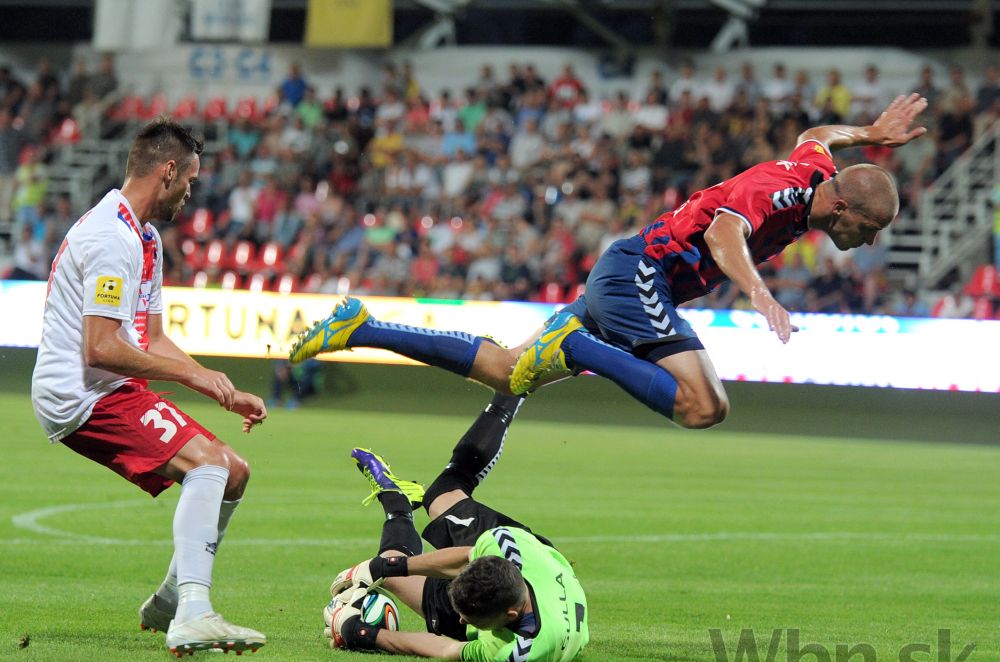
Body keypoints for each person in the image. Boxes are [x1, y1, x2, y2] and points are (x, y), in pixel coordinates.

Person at [289, 95, 927, 431]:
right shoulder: (778, 191)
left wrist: (868, 133)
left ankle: (360, 326)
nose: (868, 243)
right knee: (704, 407)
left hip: (627, 273)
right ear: (842, 205)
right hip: (639, 275)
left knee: (510, 373)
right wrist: (759, 293)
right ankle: (578, 344)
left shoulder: (816, 170)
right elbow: (727, 236)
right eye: (868, 228)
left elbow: (817, 134)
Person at [30, 118, 267, 657]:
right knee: (208, 465)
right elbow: (100, 347)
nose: (191, 190)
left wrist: (217, 386)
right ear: (167, 171)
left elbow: (151, 337)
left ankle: (166, 604)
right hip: (82, 392)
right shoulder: (110, 238)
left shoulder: (145, 238)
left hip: (109, 384)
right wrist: (190, 375)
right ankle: (193, 613)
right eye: (190, 179)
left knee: (233, 471)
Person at [325, 393, 589, 662]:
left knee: (392, 576)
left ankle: (396, 501)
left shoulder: (515, 651)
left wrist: (362, 634)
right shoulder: (508, 545)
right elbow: (466, 555)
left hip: (529, 608)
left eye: (469, 618)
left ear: (510, 615)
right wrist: (386, 566)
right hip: (538, 553)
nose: (461, 618)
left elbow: (446, 649)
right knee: (442, 496)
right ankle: (512, 390)